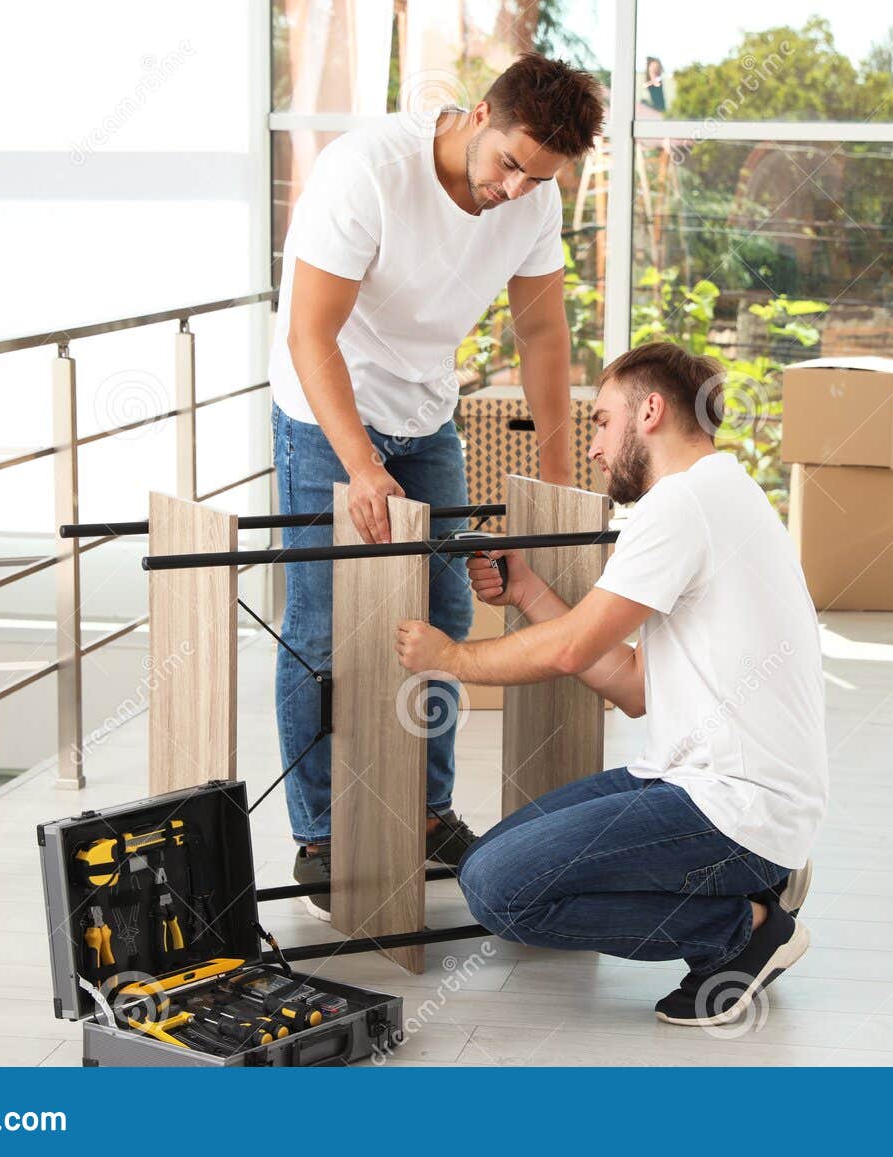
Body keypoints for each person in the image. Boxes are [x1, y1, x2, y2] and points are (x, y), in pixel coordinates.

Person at [394, 341, 828, 1026]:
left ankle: (740, 932)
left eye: (601, 421)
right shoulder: (723, 493)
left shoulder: (681, 504)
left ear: (650, 412)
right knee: (486, 861)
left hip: (732, 804)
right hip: (699, 783)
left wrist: (449, 657)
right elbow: (631, 686)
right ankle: (759, 878)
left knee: (499, 890)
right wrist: (529, 593)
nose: (593, 446)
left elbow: (572, 649)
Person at [270, 55, 606, 918]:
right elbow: (310, 334)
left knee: (447, 614)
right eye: (510, 164)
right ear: (479, 114)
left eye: (538, 178)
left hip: (425, 412)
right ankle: (321, 834)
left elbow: (542, 334)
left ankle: (425, 812)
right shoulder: (368, 171)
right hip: (326, 413)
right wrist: (359, 462)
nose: (515, 189)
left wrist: (556, 486)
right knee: (323, 626)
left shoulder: (533, 197)